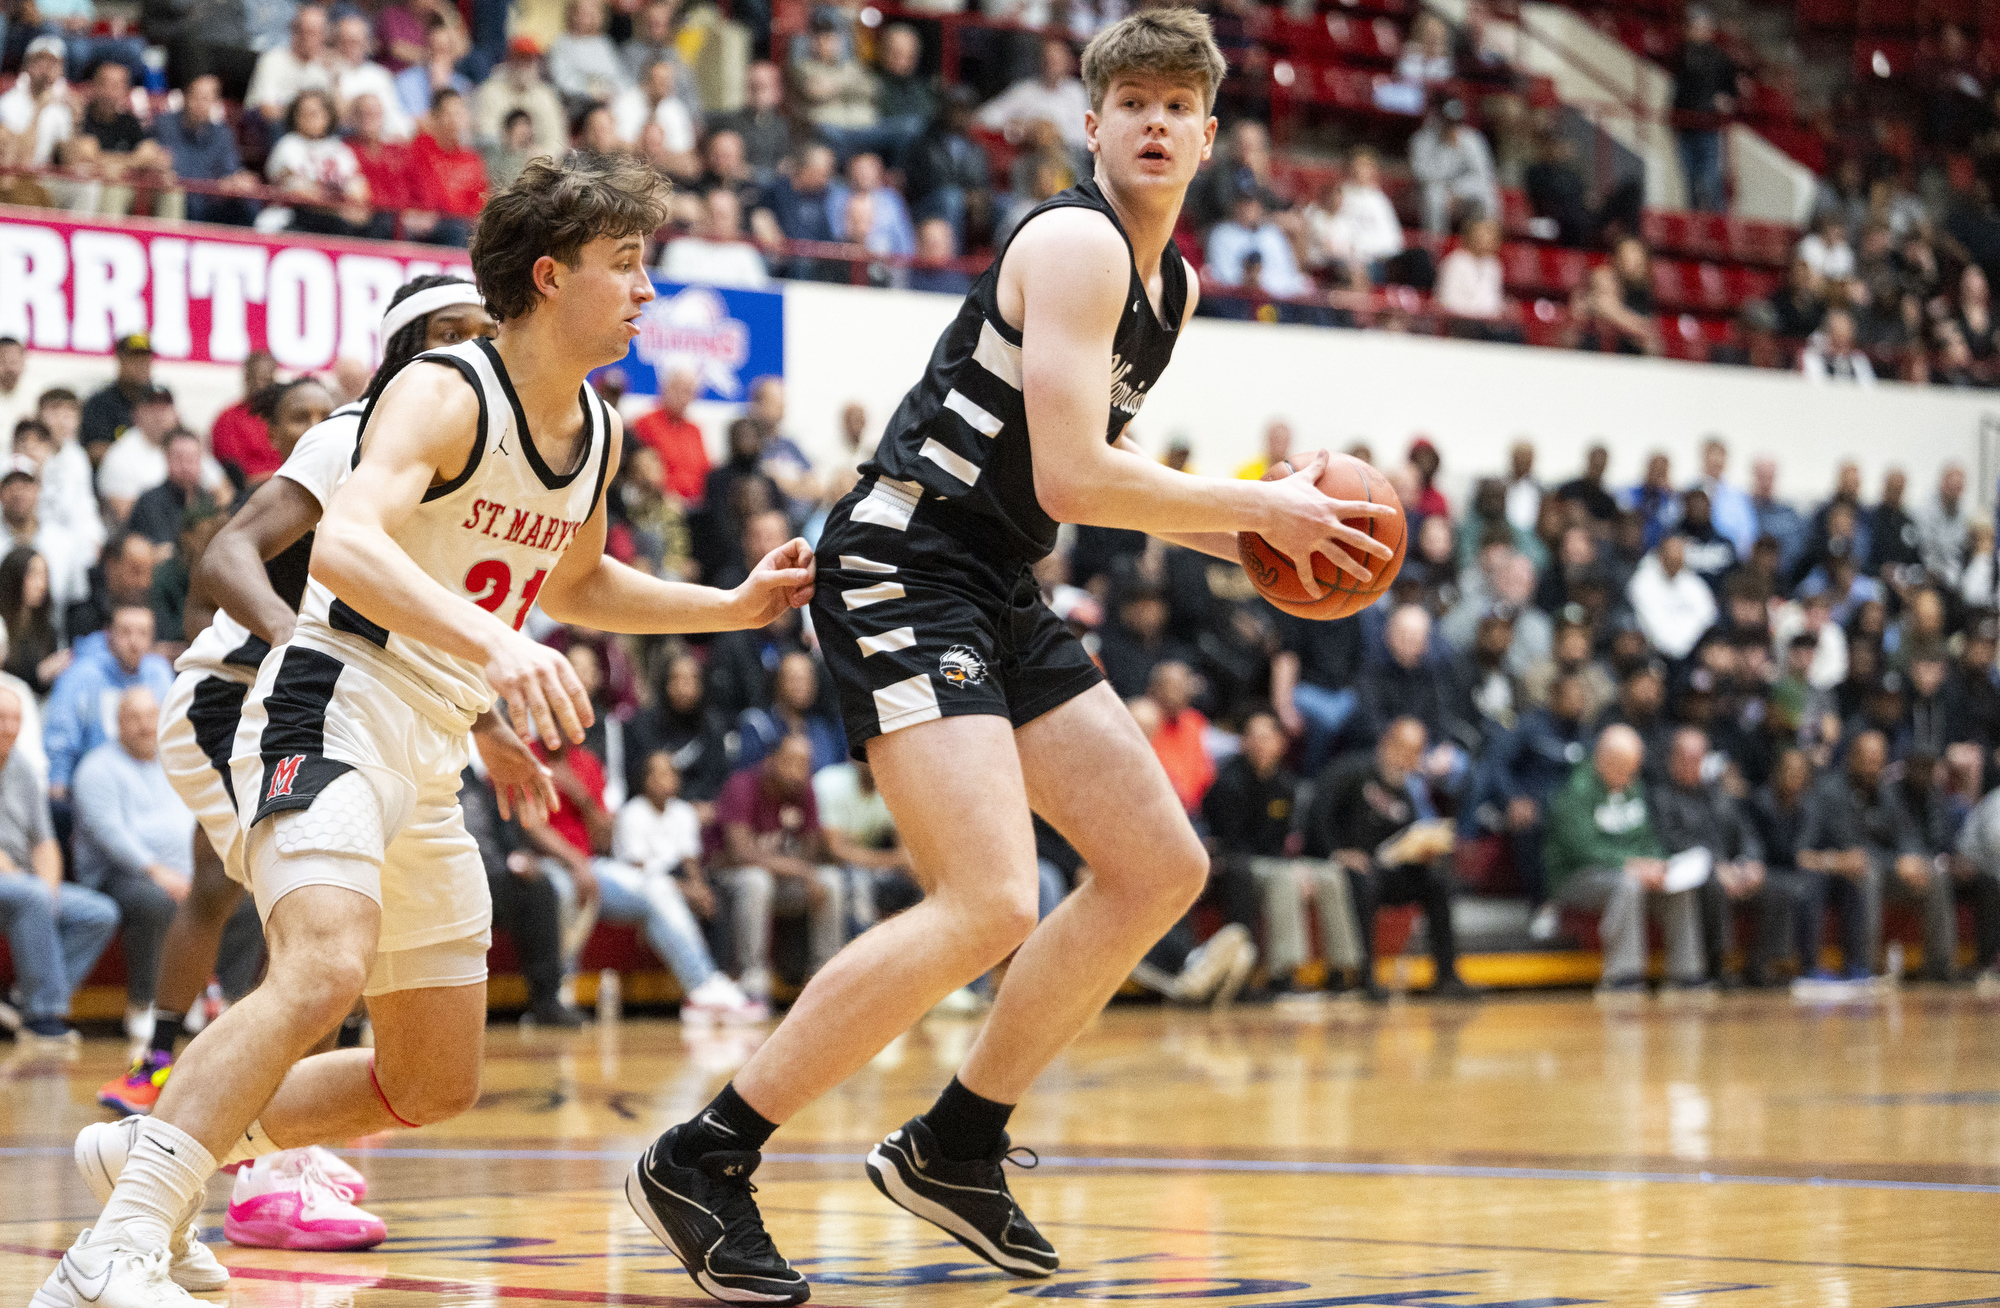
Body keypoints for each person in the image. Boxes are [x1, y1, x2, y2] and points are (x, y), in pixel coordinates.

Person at [630, 13, 1394, 1300]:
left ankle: (956, 1141)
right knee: (987, 900)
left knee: (1158, 865)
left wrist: (1260, 548)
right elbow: (1076, 475)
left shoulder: (1175, 284)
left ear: (1209, 139)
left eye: (1177, 107)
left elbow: (1108, 475)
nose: (1153, 123)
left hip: (990, 575)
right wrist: (1261, 505)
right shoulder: (1077, 241)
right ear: (1089, 125)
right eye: (1130, 102)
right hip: (901, 558)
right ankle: (704, 1155)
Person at [44, 153, 818, 1308]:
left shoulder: (597, 428)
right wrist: (498, 646)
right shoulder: (448, 388)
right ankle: (113, 1250)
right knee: (320, 964)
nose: (647, 291)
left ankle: (153, 1150)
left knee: (431, 1078)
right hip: (334, 691)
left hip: (434, 730)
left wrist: (727, 606)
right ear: (550, 278)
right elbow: (347, 545)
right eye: (626, 264)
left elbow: (578, 581)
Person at [87, 286, 473, 1261]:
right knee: (314, 937)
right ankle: (252, 1174)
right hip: (248, 698)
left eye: (481, 334)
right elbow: (226, 554)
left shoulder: (479, 453)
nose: (473, 352)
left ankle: (184, 1142)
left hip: (359, 715)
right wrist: (297, 642)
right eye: (449, 337)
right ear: (399, 356)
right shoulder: (368, 431)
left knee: (333, 937)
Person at [1303, 717, 1473, 1000]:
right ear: (1387, 743)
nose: (1410, 758)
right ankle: (1365, 976)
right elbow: (1317, 816)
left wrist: (1422, 853)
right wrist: (1337, 853)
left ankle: (1446, 976)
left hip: (1384, 870)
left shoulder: (1405, 791)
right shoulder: (1348, 770)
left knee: (1437, 881)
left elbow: (1403, 839)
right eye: (1405, 748)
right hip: (1339, 867)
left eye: (1417, 751)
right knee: (1363, 880)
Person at [0, 682, 119, 1045]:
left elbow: (45, 840)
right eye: (1, 718)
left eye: (15, 719)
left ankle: (21, 1000)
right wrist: (32, 887)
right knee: (33, 896)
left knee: (100, 913)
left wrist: (49, 887)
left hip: (22, 884)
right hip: (12, 880)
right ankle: (42, 1017)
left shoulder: (22, 766)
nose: (8, 727)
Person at [70, 687, 190, 1042]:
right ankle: (144, 1005)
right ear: (117, 723)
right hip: (115, 876)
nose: (144, 726)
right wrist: (158, 872)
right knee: (153, 899)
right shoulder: (96, 767)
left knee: (239, 899)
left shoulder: (176, 762)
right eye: (134, 718)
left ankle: (225, 1001)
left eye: (150, 717)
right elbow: (112, 836)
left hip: (181, 873)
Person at [1546, 724, 1704, 991]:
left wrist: (1658, 863)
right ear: (1605, 760)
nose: (1632, 775)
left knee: (1677, 888)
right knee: (1627, 884)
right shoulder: (1576, 791)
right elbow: (1583, 848)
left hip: (1625, 870)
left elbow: (1647, 839)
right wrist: (1630, 865)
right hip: (1577, 877)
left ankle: (1685, 974)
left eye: (1635, 768)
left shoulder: (1633, 787)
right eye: (1627, 768)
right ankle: (1623, 975)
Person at [615, 750, 763, 1020]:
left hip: (679, 877)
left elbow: (690, 860)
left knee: (715, 897)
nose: (665, 780)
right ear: (645, 780)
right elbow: (638, 872)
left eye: (670, 773)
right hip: (648, 884)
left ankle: (721, 979)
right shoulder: (632, 813)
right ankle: (703, 987)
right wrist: (686, 890)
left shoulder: (683, 812)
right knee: (671, 896)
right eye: (658, 774)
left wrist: (700, 889)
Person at [713, 734, 848, 1002]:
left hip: (782, 882)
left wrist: (801, 869)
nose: (798, 772)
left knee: (831, 880)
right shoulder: (742, 786)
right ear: (771, 761)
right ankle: (753, 977)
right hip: (728, 877)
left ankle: (827, 978)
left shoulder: (804, 790)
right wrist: (798, 870)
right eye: (791, 762)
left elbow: (810, 851)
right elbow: (739, 853)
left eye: (804, 765)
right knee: (756, 880)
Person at [44, 604, 175, 802]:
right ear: (109, 635)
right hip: (95, 787)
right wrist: (58, 795)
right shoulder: (81, 675)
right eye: (125, 633)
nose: (134, 642)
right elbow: (60, 741)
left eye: (143, 633)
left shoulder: (160, 673)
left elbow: (174, 734)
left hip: (154, 784)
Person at [1669, 8, 1740, 213]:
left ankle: (1717, 218)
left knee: (1709, 178)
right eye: (1694, 26)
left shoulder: (1720, 59)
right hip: (1685, 125)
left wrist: (1723, 102)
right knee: (1690, 180)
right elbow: (1676, 92)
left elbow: (1731, 94)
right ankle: (1694, 219)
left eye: (1701, 26)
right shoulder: (1681, 55)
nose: (1696, 31)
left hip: (1708, 126)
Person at [1410, 98, 1497, 236]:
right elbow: (1421, 174)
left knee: (1487, 190)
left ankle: (1487, 238)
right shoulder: (1422, 139)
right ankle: (1437, 240)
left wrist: (1457, 191)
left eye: (1456, 122)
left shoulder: (1471, 139)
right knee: (1434, 195)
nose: (1452, 127)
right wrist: (1447, 150)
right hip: (1433, 189)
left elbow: (1483, 174)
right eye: (1448, 122)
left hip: (1460, 189)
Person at [247, 3, 334, 120]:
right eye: (302, 31)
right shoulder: (273, 59)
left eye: (314, 33)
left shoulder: (321, 71)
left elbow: (331, 115)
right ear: (294, 31)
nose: (306, 39)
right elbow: (266, 108)